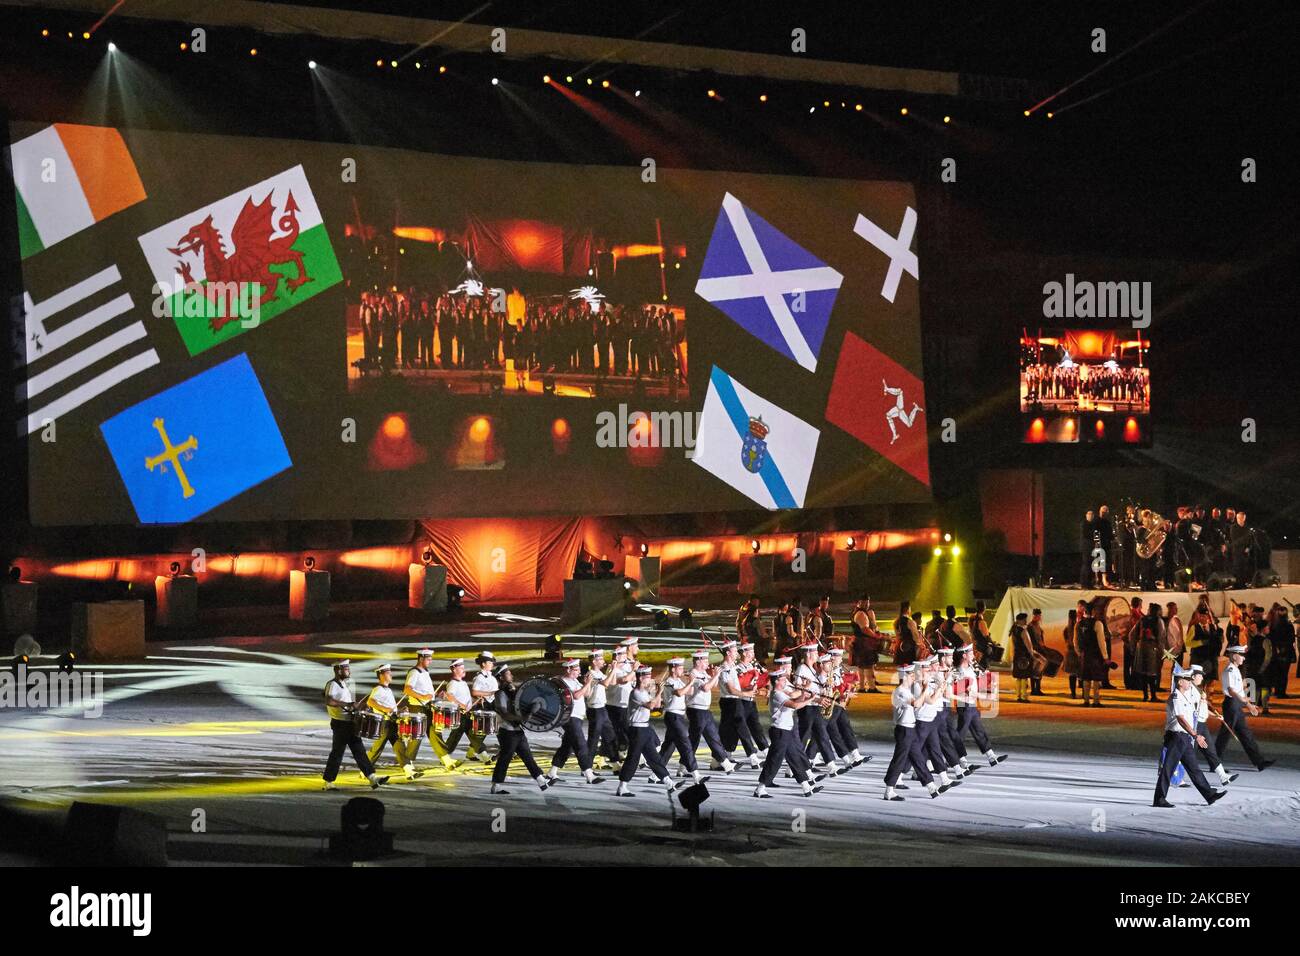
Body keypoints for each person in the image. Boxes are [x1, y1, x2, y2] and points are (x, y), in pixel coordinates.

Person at [1153, 666, 1225, 808]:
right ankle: (1159, 799)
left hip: (1184, 737)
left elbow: (1194, 715)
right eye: (1187, 679)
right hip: (1176, 736)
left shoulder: (1186, 696)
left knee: (1194, 768)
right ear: (1180, 682)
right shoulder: (1176, 697)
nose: (1190, 682)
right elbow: (1181, 719)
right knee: (1168, 768)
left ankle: (1209, 794)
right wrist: (1196, 735)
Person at [753, 670, 824, 799]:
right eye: (782, 679)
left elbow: (795, 701)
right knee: (774, 761)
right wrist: (811, 699)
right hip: (780, 732)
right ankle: (760, 789)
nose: (785, 681)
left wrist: (803, 694)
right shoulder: (777, 694)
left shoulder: (781, 693)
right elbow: (795, 705)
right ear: (776, 681)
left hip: (786, 731)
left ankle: (806, 788)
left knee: (795, 759)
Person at [322, 660, 389, 791]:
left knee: (359, 751)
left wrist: (356, 706)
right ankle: (328, 782)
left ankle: (372, 778)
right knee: (337, 753)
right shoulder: (332, 684)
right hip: (340, 724)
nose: (349, 671)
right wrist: (347, 705)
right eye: (346, 668)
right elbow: (328, 700)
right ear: (338, 670)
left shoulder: (343, 684)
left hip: (349, 722)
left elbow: (347, 703)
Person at [883, 663, 943, 801]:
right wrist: (925, 689)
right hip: (904, 730)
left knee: (918, 758)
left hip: (910, 729)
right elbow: (916, 704)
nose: (913, 676)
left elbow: (920, 703)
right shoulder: (900, 691)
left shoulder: (907, 690)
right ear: (904, 676)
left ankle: (931, 786)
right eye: (910, 674)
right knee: (899, 760)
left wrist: (925, 689)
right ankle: (889, 790)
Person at [489, 662, 550, 795]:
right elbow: (504, 713)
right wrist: (524, 718)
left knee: (527, 756)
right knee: (505, 758)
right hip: (507, 731)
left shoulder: (512, 692)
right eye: (508, 673)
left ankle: (540, 780)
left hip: (516, 730)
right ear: (501, 677)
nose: (511, 675)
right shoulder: (500, 694)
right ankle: (496, 785)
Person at [615, 666, 676, 797]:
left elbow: (658, 706)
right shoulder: (636, 692)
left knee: (653, 757)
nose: (650, 679)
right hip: (637, 729)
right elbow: (651, 705)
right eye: (648, 676)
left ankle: (668, 782)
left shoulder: (644, 692)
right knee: (633, 758)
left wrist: (659, 691)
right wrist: (659, 692)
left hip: (645, 728)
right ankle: (622, 787)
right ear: (641, 677)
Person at [547, 659, 604, 786]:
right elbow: (577, 696)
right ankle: (589, 774)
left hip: (577, 717)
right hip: (569, 717)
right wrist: (586, 683)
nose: (578, 672)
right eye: (576, 670)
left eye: (579, 669)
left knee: (567, 747)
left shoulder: (575, 681)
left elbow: (587, 694)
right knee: (581, 744)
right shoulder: (562, 682)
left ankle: (552, 772)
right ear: (568, 669)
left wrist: (588, 684)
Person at [1216, 645, 1273, 771]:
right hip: (1231, 704)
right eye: (1241, 655)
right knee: (1225, 735)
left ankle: (1259, 762)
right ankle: (1215, 764)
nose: (1243, 658)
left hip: (1236, 705)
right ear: (1234, 655)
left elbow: (1239, 691)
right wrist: (1243, 700)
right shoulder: (1229, 671)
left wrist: (1249, 705)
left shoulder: (1236, 670)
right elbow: (1231, 690)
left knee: (1245, 734)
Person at [1182, 664, 1238, 789]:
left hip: (1202, 724)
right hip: (1194, 725)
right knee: (1187, 753)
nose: (1202, 678)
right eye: (1200, 675)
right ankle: (1176, 777)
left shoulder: (1198, 689)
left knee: (1211, 751)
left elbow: (1203, 709)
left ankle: (1223, 777)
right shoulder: (1188, 690)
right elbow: (1189, 708)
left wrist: (1215, 716)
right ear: (1193, 676)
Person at [658, 658, 711, 785]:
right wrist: (691, 681)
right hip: (673, 716)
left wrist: (691, 681)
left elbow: (690, 692)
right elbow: (680, 693)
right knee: (686, 745)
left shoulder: (679, 681)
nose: (683, 670)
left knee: (669, 746)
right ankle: (696, 775)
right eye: (680, 668)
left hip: (679, 716)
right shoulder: (669, 681)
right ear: (673, 669)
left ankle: (655, 774)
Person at [685, 649, 738, 774]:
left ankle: (727, 765)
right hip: (696, 710)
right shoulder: (693, 674)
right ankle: (684, 767)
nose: (707, 663)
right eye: (705, 660)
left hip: (705, 711)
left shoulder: (703, 673)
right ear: (698, 661)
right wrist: (715, 675)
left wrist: (715, 674)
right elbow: (706, 688)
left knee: (714, 738)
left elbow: (713, 685)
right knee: (694, 740)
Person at [952, 646, 1006, 765]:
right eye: (970, 653)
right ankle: (959, 759)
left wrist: (988, 680)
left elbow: (979, 683)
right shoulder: (959, 672)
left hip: (972, 705)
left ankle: (991, 755)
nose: (973, 655)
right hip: (964, 704)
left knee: (979, 730)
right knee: (961, 733)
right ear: (964, 655)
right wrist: (985, 696)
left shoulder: (971, 667)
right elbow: (965, 692)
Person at [363, 663, 419, 779]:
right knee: (377, 749)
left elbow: (390, 708)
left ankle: (409, 771)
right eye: (388, 673)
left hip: (392, 723)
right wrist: (385, 709)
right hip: (384, 724)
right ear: (382, 675)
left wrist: (399, 710)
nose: (391, 674)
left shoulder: (387, 690)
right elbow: (370, 702)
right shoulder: (378, 689)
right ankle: (365, 770)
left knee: (400, 746)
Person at [717, 640, 763, 769]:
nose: (737, 652)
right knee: (742, 728)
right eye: (734, 650)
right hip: (730, 701)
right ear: (728, 652)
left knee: (730, 730)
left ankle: (724, 757)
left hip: (734, 701)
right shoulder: (725, 668)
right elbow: (731, 689)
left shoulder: (731, 666)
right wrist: (746, 695)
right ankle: (753, 757)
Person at [585, 649, 622, 769]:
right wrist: (613, 670)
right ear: (594, 661)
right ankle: (587, 766)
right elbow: (606, 683)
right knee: (593, 739)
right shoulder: (591, 674)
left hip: (602, 708)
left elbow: (613, 681)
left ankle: (615, 762)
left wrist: (612, 670)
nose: (603, 661)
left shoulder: (600, 673)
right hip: (594, 710)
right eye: (600, 659)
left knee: (610, 735)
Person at [1077, 601, 1110, 707]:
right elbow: (1101, 641)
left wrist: (1079, 653)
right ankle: (1096, 701)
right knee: (1096, 678)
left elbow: (1075, 640)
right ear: (1093, 611)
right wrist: (1105, 657)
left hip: (1084, 655)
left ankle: (1086, 700)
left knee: (1086, 678)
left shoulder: (1079, 623)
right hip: (1095, 655)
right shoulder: (1097, 623)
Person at [1134, 603, 1165, 702]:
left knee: (1143, 672)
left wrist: (1134, 646)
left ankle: (1145, 695)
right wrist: (1161, 650)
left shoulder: (1142, 619)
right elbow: (1161, 636)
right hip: (1152, 648)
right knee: (1152, 673)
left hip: (1141, 647)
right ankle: (1153, 696)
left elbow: (1132, 633)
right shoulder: (1158, 620)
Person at [850, 596, 881, 692]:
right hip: (864, 643)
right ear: (859, 602)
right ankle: (871, 688)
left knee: (862, 665)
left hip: (861, 642)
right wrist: (876, 636)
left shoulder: (859, 612)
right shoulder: (861, 614)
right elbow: (865, 629)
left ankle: (862, 687)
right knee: (867, 665)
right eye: (865, 602)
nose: (867, 604)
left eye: (868, 602)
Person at [1010, 612, 1038, 703]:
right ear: (1020, 621)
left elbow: (1013, 645)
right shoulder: (1023, 631)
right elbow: (1028, 644)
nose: (1026, 621)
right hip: (1024, 656)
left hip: (1017, 655)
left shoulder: (1013, 630)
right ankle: (1024, 696)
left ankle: (1018, 695)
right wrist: (1032, 654)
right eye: (1025, 619)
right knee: (1024, 676)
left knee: (1018, 676)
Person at [1027, 608, 1047, 696]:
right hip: (1034, 650)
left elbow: (1041, 639)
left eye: (1038, 615)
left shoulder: (1038, 626)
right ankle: (1034, 689)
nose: (1037, 617)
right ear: (1033, 615)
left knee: (1039, 670)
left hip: (1039, 649)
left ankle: (1037, 689)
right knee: (1034, 669)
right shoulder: (1030, 626)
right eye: (1036, 615)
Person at [1062, 609, 1081, 698]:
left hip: (1069, 652)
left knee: (1072, 674)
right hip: (1077, 652)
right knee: (1081, 673)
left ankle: (1073, 693)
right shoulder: (1078, 626)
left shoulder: (1066, 629)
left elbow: (1066, 640)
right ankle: (1085, 694)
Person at [1079, 509, 1098, 586]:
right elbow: (1086, 534)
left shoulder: (1093, 524)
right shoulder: (1084, 524)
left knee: (1090, 564)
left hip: (1091, 546)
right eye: (1089, 514)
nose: (1090, 516)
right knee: (1086, 563)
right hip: (1086, 547)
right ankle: (1084, 582)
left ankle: (1089, 582)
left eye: (1092, 514)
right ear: (1086, 515)